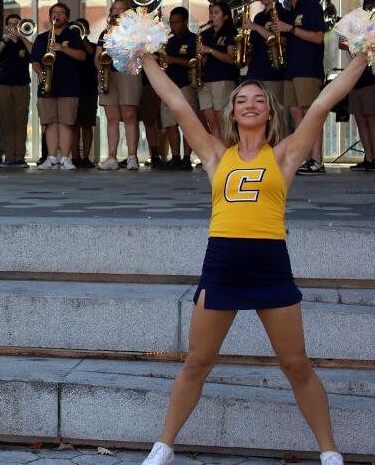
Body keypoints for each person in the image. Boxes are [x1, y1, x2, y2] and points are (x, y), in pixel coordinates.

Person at [138, 50, 368, 465]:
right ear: (232, 111)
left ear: (269, 112)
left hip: (269, 263)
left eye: (258, 100)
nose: (249, 104)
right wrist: (146, 59)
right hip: (222, 262)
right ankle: (164, 446)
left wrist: (361, 58)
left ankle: (330, 452)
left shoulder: (284, 155)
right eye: (242, 99)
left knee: (297, 364)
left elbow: (322, 103)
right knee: (197, 362)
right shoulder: (213, 153)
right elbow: (175, 101)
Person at [274, 0, 327, 175]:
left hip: (308, 68)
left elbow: (318, 37)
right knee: (296, 113)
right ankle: (305, 157)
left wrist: (290, 29)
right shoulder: (291, 9)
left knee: (310, 113)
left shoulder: (312, 7)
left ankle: (317, 159)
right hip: (291, 68)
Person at [32, 3, 86, 170]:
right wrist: (42, 75)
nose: (57, 15)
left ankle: (66, 158)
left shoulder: (74, 36)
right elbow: (35, 61)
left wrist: (63, 49)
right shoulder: (42, 38)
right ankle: (51, 157)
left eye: (61, 12)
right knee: (49, 123)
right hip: (48, 86)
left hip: (69, 85)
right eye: (54, 12)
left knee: (66, 123)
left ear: (67, 17)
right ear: (50, 16)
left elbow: (83, 56)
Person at [96, 0, 143, 170]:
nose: (116, 12)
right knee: (112, 118)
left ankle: (132, 156)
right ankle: (111, 157)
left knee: (130, 116)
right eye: (114, 9)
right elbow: (97, 57)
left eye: (120, 9)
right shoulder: (105, 33)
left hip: (128, 75)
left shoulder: (134, 32)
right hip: (110, 75)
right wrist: (101, 67)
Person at [159, 7, 201, 171]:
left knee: (187, 124)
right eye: (171, 23)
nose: (173, 26)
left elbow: (196, 62)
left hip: (186, 86)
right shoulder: (168, 41)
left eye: (176, 22)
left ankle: (186, 158)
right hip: (168, 86)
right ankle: (175, 157)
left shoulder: (194, 40)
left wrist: (174, 60)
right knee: (170, 123)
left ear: (184, 22)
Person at [0, 13, 33, 168]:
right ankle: (9, 156)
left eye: (17, 24)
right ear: (6, 26)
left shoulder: (24, 42)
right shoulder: (2, 42)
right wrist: (6, 39)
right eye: (11, 24)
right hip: (3, 86)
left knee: (21, 121)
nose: (14, 26)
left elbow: (34, 53)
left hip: (21, 86)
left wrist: (23, 37)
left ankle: (20, 157)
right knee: (7, 122)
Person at [196, 2, 238, 139]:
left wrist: (209, 50)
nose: (212, 16)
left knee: (223, 121)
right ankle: (217, 155)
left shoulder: (231, 32)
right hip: (205, 79)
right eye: (211, 12)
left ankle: (227, 154)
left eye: (216, 13)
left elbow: (231, 58)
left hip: (223, 79)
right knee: (211, 121)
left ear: (225, 16)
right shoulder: (205, 33)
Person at [243, 0, 286, 105]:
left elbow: (282, 41)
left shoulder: (283, 14)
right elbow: (253, 42)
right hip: (255, 71)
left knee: (274, 112)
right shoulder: (259, 16)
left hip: (272, 72)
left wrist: (255, 27)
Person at [72, 18, 98, 168]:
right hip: (73, 89)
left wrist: (82, 38)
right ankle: (75, 157)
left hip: (89, 89)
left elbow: (91, 53)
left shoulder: (91, 46)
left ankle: (86, 157)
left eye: (82, 29)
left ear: (87, 31)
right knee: (74, 125)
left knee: (87, 126)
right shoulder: (69, 45)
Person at [346, 56, 375, 172]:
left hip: (370, 80)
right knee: (360, 121)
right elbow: (341, 44)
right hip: (355, 81)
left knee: (371, 120)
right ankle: (368, 158)